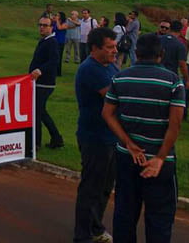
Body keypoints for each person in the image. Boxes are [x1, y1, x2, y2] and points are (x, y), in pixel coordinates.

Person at [102, 33, 185, 243]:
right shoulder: (173, 82)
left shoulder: (120, 77)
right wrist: (159, 158)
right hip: (159, 162)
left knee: (125, 213)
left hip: (127, 156)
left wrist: (128, 142)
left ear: (136, 53)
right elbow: (175, 125)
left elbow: (107, 114)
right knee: (159, 219)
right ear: (162, 54)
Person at [73, 27, 119, 243]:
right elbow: (115, 97)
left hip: (110, 138)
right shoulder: (91, 69)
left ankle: (95, 228)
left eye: (115, 46)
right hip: (94, 138)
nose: (115, 51)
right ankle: (82, 235)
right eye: (109, 47)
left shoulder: (109, 66)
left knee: (104, 188)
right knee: (91, 188)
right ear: (95, 48)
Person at [30, 16, 64, 148]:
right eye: (40, 25)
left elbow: (54, 61)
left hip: (44, 83)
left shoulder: (52, 42)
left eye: (45, 25)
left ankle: (36, 143)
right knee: (41, 111)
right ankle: (56, 138)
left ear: (51, 27)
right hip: (38, 82)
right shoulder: (45, 41)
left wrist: (40, 70)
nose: (42, 27)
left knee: (37, 112)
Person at [160, 20, 189, 90]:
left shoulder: (157, 40)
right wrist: (187, 80)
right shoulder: (180, 45)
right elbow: (182, 65)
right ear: (181, 31)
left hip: (156, 72)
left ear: (170, 28)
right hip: (171, 75)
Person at [53, 12, 69, 76]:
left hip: (60, 42)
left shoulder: (65, 24)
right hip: (54, 40)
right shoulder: (54, 23)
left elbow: (59, 28)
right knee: (54, 56)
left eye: (58, 15)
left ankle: (58, 72)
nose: (56, 16)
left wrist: (57, 21)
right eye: (56, 15)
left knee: (59, 57)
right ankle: (54, 70)